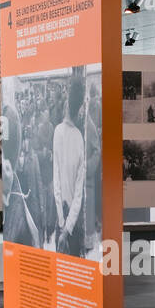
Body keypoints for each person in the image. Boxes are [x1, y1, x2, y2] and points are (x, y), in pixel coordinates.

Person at [52, 72, 87, 257]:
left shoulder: (57, 132)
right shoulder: (79, 138)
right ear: (79, 107)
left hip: (62, 217)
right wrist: (68, 228)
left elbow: (56, 183)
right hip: (73, 223)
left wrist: (61, 223)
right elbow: (78, 194)